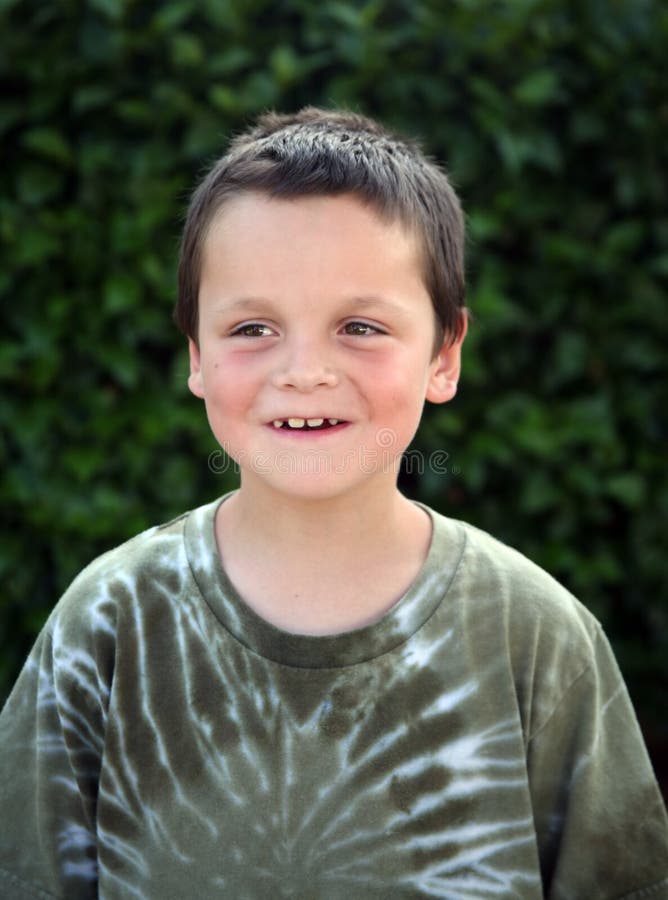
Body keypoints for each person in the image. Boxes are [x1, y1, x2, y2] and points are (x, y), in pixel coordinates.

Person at [1, 107, 667, 900]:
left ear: (444, 354)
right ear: (197, 355)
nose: (305, 371)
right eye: (254, 327)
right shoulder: (109, 624)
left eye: (358, 326)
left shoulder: (537, 638)